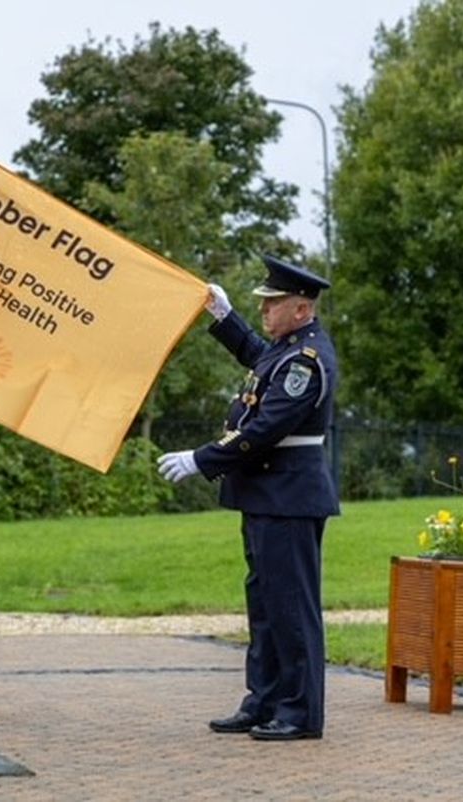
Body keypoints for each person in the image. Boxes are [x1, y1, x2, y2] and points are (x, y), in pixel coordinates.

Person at [157, 255, 339, 742]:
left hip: (288, 496)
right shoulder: (286, 350)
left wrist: (203, 458)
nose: (265, 309)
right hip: (267, 494)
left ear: (301, 310)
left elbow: (265, 426)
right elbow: (257, 355)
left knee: (292, 607)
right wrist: (224, 316)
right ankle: (264, 701)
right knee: (265, 605)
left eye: (273, 302)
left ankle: (299, 712)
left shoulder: (307, 359)